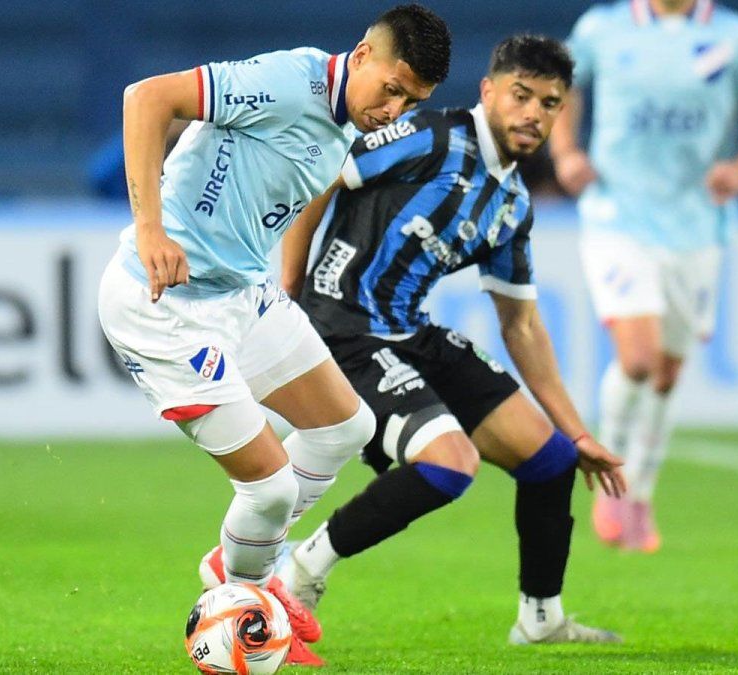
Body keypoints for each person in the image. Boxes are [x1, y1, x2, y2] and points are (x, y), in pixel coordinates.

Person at [217, 34, 626, 646]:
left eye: (550, 103)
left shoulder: (512, 203)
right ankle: (302, 568)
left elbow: (521, 325)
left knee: (551, 462)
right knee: (449, 461)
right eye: (521, 95)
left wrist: (579, 430)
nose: (533, 114)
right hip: (343, 327)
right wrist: (290, 286)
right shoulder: (432, 136)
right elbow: (326, 175)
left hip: (409, 329)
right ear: (489, 91)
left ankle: (541, 622)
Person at [96, 4, 451, 665]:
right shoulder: (289, 81)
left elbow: (303, 184)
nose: (393, 109)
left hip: (240, 294)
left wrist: (287, 274)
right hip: (164, 306)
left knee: (347, 427)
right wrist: (151, 229)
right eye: (391, 88)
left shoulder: (349, 121)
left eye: (412, 101)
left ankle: (239, 556)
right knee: (271, 490)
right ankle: (248, 603)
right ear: (363, 54)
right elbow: (146, 97)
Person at [549, 0, 738, 552]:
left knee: (665, 373)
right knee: (638, 359)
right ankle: (611, 478)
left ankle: (641, 491)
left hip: (695, 225)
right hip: (619, 216)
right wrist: (565, 151)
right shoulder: (602, 28)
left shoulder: (736, 36)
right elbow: (560, 84)